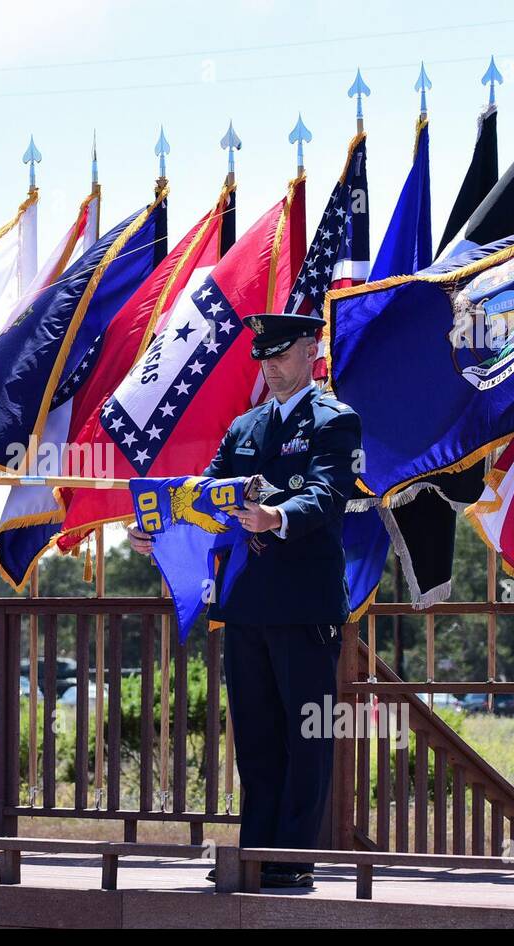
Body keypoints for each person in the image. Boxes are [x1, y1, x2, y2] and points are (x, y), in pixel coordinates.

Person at [128, 312, 362, 889]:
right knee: (256, 735)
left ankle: (291, 861)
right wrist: (159, 530)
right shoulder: (245, 428)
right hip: (247, 603)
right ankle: (255, 854)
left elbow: (328, 493)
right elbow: (201, 494)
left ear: (311, 350)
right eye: (263, 357)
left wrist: (276, 514)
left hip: (304, 606)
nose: (271, 366)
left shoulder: (335, 420)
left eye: (281, 354)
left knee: (306, 735)